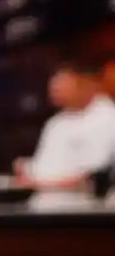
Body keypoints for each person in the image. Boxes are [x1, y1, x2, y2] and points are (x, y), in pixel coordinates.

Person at [16, 63, 115, 207]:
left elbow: (94, 176)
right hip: (42, 206)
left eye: (60, 86)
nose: (54, 91)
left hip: (84, 210)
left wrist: (41, 183)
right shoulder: (55, 122)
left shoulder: (107, 117)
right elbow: (46, 166)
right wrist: (26, 169)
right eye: (53, 87)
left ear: (85, 84)